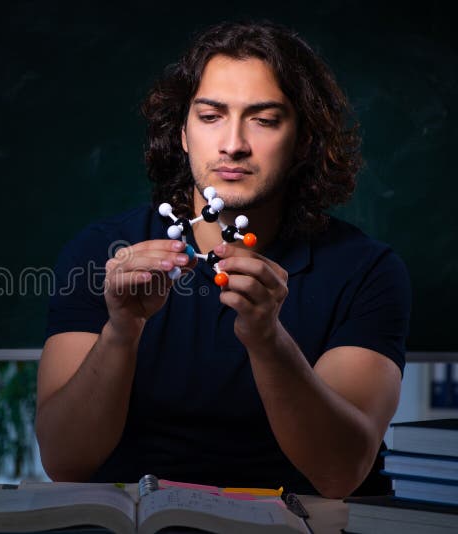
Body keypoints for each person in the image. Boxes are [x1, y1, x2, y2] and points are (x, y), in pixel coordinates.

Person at [34, 20, 411, 499]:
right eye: (211, 116)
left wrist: (267, 340)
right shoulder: (102, 254)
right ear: (184, 134)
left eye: (265, 119)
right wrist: (120, 333)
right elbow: (65, 462)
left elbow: (338, 473)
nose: (233, 144)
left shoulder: (367, 272)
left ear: (303, 140)